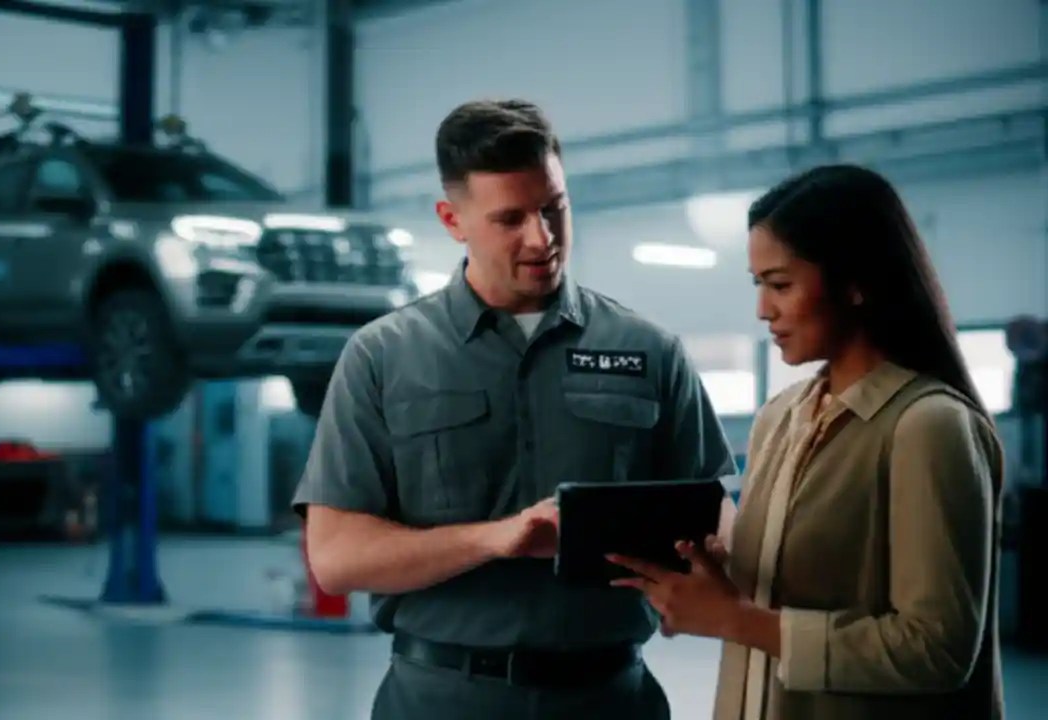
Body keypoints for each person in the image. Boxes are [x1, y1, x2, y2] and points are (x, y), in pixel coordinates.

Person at [291, 98, 738, 720]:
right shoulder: (382, 357)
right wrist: (497, 539)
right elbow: (337, 560)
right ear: (453, 219)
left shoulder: (648, 351)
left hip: (611, 699)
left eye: (555, 208)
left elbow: (713, 512)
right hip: (441, 699)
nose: (542, 238)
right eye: (511, 219)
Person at [608, 164, 1005, 720]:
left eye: (780, 284)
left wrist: (734, 620)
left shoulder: (927, 426)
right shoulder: (780, 417)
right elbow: (789, 587)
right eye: (758, 285)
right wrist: (715, 578)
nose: (762, 310)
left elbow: (936, 648)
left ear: (855, 283)